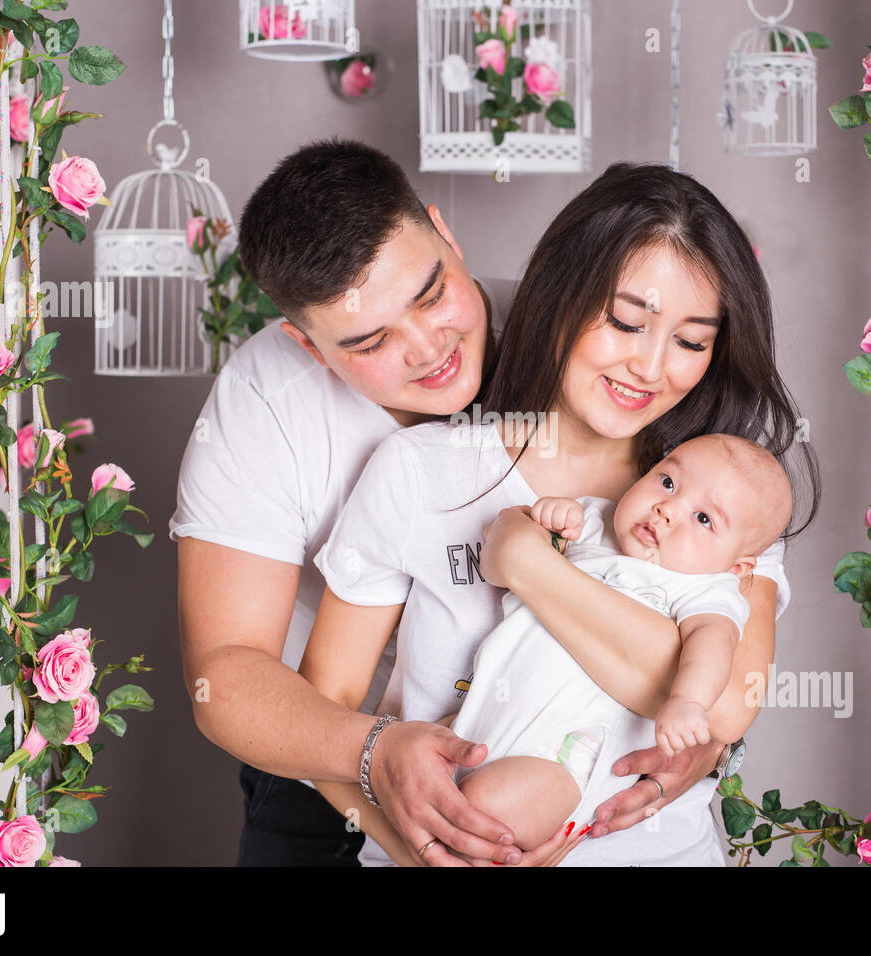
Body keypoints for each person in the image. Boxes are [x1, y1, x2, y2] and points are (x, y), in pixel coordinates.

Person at [299, 161, 820, 866]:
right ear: (559, 292)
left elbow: (724, 710)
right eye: (627, 322)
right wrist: (425, 847)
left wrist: (526, 567)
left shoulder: (723, 497)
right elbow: (321, 710)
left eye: (692, 341)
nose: (650, 366)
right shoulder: (421, 470)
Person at [171, 138, 522, 866]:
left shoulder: (564, 337)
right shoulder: (262, 397)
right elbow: (226, 671)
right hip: (324, 752)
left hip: (541, 750)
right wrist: (374, 757)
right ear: (307, 344)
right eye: (370, 342)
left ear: (443, 231)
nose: (428, 349)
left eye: (430, 295)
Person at [442, 434, 794, 855]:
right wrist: (554, 516)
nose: (666, 510)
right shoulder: (596, 519)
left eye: (703, 519)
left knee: (481, 810)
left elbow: (712, 644)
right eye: (667, 482)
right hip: (481, 711)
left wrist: (687, 700)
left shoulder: (707, 590)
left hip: (562, 752)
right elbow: (525, 544)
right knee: (419, 763)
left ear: (737, 566)